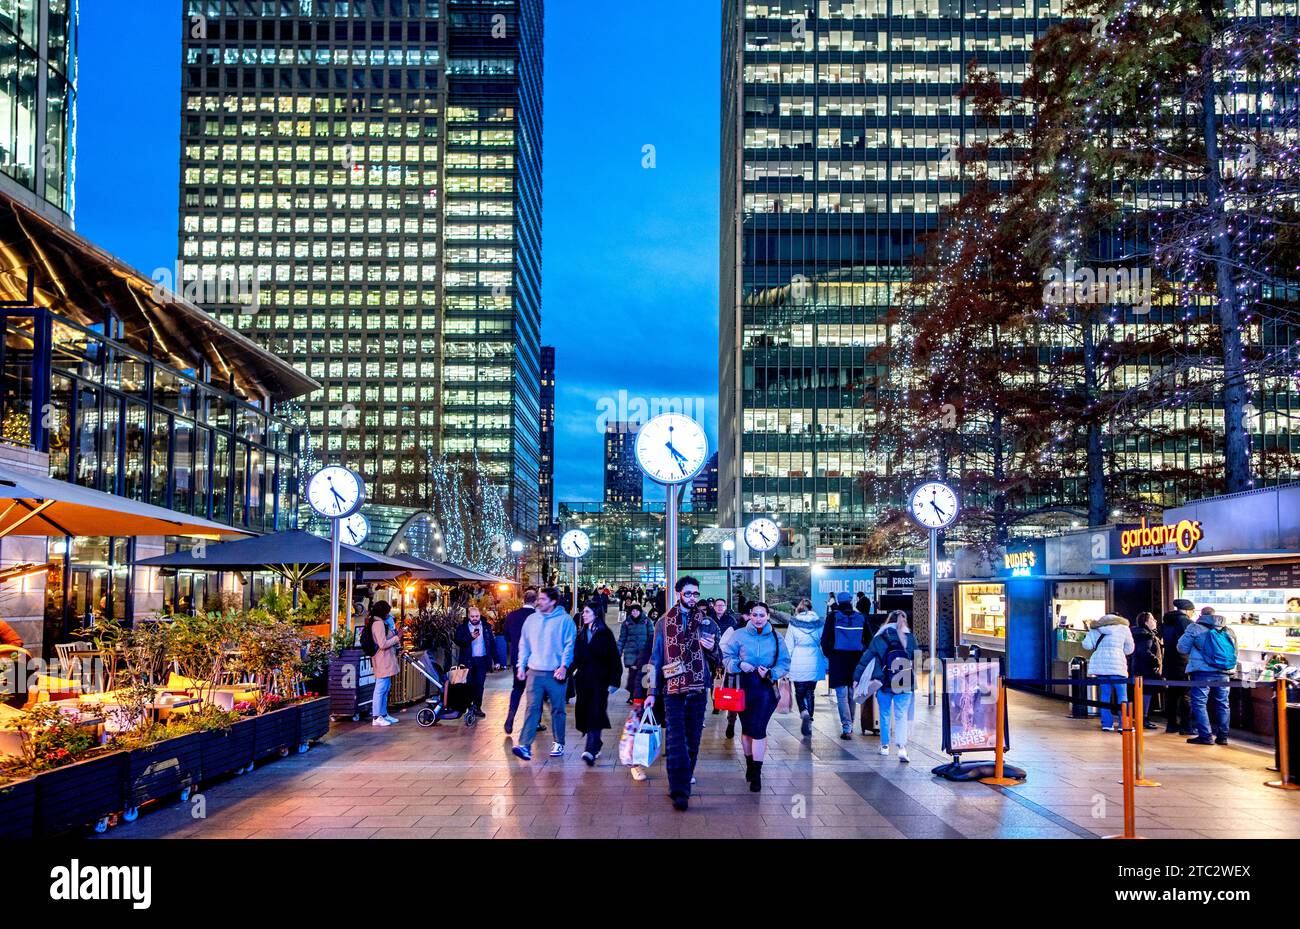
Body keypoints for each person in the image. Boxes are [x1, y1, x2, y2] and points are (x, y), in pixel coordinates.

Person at [644, 576, 722, 811]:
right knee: (676, 739)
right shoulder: (664, 622)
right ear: (678, 594)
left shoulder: (707, 623)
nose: (692, 598)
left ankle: (685, 776)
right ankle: (679, 789)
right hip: (673, 688)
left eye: (695, 594)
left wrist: (712, 649)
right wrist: (651, 690)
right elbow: (655, 657)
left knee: (693, 740)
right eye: (688, 594)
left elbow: (718, 659)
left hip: (699, 687)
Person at [723, 601, 790, 791]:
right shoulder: (739, 635)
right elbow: (726, 657)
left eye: (762, 615)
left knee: (759, 729)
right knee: (746, 730)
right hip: (743, 687)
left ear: (768, 616)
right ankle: (750, 765)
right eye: (755, 615)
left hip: (766, 689)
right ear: (749, 616)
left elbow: (785, 662)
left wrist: (770, 673)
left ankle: (757, 774)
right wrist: (739, 665)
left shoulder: (777, 638)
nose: (758, 619)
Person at [512, 587, 577, 761]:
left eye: (543, 599)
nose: (538, 602)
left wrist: (564, 666)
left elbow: (569, 646)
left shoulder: (565, 621)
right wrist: (521, 666)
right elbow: (524, 644)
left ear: (553, 601)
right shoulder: (531, 620)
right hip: (534, 671)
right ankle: (525, 745)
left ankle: (559, 742)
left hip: (555, 673)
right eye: (538, 599)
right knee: (532, 708)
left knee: (558, 709)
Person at [856, 609, 918, 762]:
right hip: (904, 682)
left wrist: (856, 677)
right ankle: (902, 748)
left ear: (888, 620)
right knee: (901, 715)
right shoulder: (910, 638)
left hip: (884, 682)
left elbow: (866, 659)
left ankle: (884, 747)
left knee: (884, 714)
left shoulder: (879, 638)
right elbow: (917, 661)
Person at [573, 601, 624, 765]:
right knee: (587, 713)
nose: (584, 614)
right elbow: (576, 658)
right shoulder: (581, 633)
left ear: (595, 613)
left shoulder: (605, 634)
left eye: (587, 612)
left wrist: (615, 681)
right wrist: (565, 671)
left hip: (600, 682)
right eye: (583, 612)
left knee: (596, 712)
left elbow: (614, 659)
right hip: (583, 681)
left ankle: (590, 749)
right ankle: (596, 743)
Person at [1178, 611, 1237, 746]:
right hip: (1224, 671)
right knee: (1223, 703)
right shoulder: (1228, 629)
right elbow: (1234, 651)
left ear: (1201, 616)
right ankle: (1223, 737)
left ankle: (1205, 736)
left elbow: (1182, 648)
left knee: (1199, 703)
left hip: (1202, 671)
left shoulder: (1195, 627)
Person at [821, 592, 867, 739]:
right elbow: (869, 639)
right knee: (852, 694)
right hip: (856, 660)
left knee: (841, 695)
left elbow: (824, 640)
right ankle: (851, 724)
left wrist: (831, 655)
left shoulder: (833, 617)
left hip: (838, 659)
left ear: (838, 602)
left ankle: (846, 727)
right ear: (851, 601)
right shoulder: (860, 617)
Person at [1083, 614, 1135, 732]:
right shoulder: (1124, 629)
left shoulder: (1095, 629)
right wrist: (1118, 651)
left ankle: (1107, 724)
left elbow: (1087, 645)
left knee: (1105, 695)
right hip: (1117, 665)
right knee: (1122, 695)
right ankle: (1124, 724)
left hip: (1101, 665)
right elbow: (1130, 649)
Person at [785, 598, 827, 737]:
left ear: (799, 609)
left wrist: (785, 664)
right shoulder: (819, 622)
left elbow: (789, 645)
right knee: (810, 691)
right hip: (814, 658)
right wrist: (825, 661)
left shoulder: (794, 623)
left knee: (799, 690)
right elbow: (824, 643)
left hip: (798, 658)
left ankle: (803, 712)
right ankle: (810, 719)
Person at [503, 589, 541, 734]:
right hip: (534, 660)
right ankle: (535, 722)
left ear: (523, 600)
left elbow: (506, 636)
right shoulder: (537, 617)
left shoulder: (512, 615)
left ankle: (510, 719)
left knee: (517, 689)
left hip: (517, 658)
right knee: (535, 692)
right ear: (536, 601)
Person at [454, 606, 499, 715]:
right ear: (469, 616)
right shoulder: (462, 628)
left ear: (480, 615)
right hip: (468, 661)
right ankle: (469, 707)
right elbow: (458, 641)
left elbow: (492, 644)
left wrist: (496, 660)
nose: (475, 618)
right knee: (468, 685)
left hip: (482, 660)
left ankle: (477, 707)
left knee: (479, 685)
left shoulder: (486, 627)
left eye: (477, 616)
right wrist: (471, 637)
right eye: (472, 616)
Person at [1160, 599, 1194, 735]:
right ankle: (1186, 726)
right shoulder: (1186, 623)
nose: (1192, 614)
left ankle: (1171, 724)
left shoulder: (1166, 622)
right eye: (1192, 611)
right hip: (1184, 664)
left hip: (1169, 663)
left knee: (1172, 696)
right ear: (1186, 610)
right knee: (1186, 696)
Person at [709, 597, 742, 729]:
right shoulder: (710, 619)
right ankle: (716, 703)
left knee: (727, 681)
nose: (720, 608)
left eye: (722, 605)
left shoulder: (731, 620)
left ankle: (725, 703)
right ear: (714, 606)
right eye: (718, 605)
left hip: (727, 655)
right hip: (713, 653)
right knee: (716, 679)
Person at [369, 601, 402, 727]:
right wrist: (397, 637)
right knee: (380, 688)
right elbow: (382, 644)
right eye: (387, 611)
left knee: (385, 687)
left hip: (386, 659)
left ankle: (383, 713)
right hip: (382, 660)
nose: (389, 614)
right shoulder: (378, 624)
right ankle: (377, 716)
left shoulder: (381, 623)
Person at [1129, 611, 1163, 729]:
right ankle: (1143, 718)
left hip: (1138, 669)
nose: (1155, 621)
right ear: (1146, 622)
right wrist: (1156, 661)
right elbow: (1144, 652)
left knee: (1141, 694)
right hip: (1146, 670)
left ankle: (1140, 717)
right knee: (1146, 694)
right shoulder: (1147, 636)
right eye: (1152, 619)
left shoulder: (1137, 634)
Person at [617, 602, 653, 703]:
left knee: (643, 675)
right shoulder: (626, 623)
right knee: (633, 676)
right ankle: (632, 695)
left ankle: (642, 695)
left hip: (644, 653)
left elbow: (651, 636)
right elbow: (622, 638)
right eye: (632, 611)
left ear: (640, 611)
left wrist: (652, 650)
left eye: (637, 610)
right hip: (631, 653)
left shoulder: (647, 621)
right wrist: (618, 652)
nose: (635, 612)